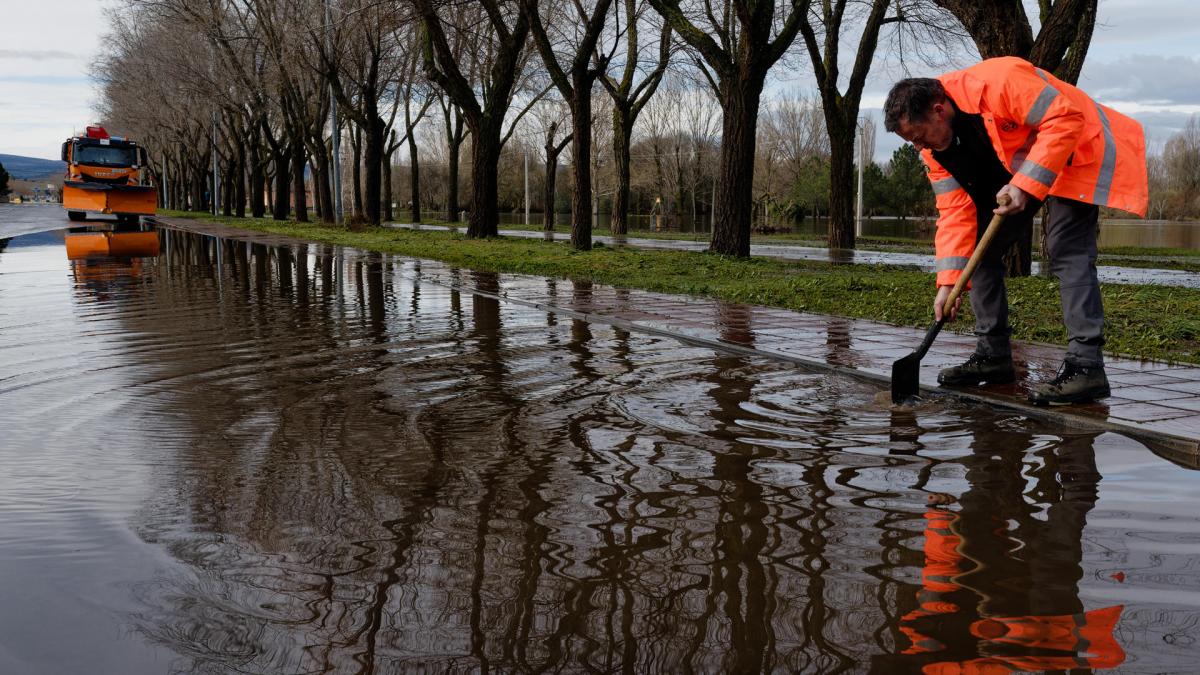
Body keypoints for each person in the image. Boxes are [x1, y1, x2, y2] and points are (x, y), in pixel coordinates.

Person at [883, 57, 1148, 405]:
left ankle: (1087, 367)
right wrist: (948, 283)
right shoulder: (935, 152)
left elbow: (1065, 118)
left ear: (938, 110)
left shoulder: (1000, 81)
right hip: (1023, 170)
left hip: (1077, 145)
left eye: (918, 137)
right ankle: (993, 356)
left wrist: (1024, 184)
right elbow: (956, 212)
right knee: (979, 252)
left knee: (1065, 246)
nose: (919, 148)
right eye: (912, 143)